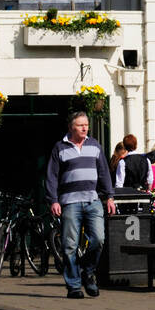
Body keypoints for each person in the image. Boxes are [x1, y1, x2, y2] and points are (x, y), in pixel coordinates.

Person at [45, 111, 116, 298]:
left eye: (86, 125)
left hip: (93, 200)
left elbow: (104, 173)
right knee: (69, 245)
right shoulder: (59, 147)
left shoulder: (94, 145)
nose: (85, 128)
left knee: (99, 239)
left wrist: (110, 196)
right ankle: (74, 286)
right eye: (80, 125)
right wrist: (53, 200)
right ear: (71, 127)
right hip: (69, 203)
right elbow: (51, 176)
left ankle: (87, 271)